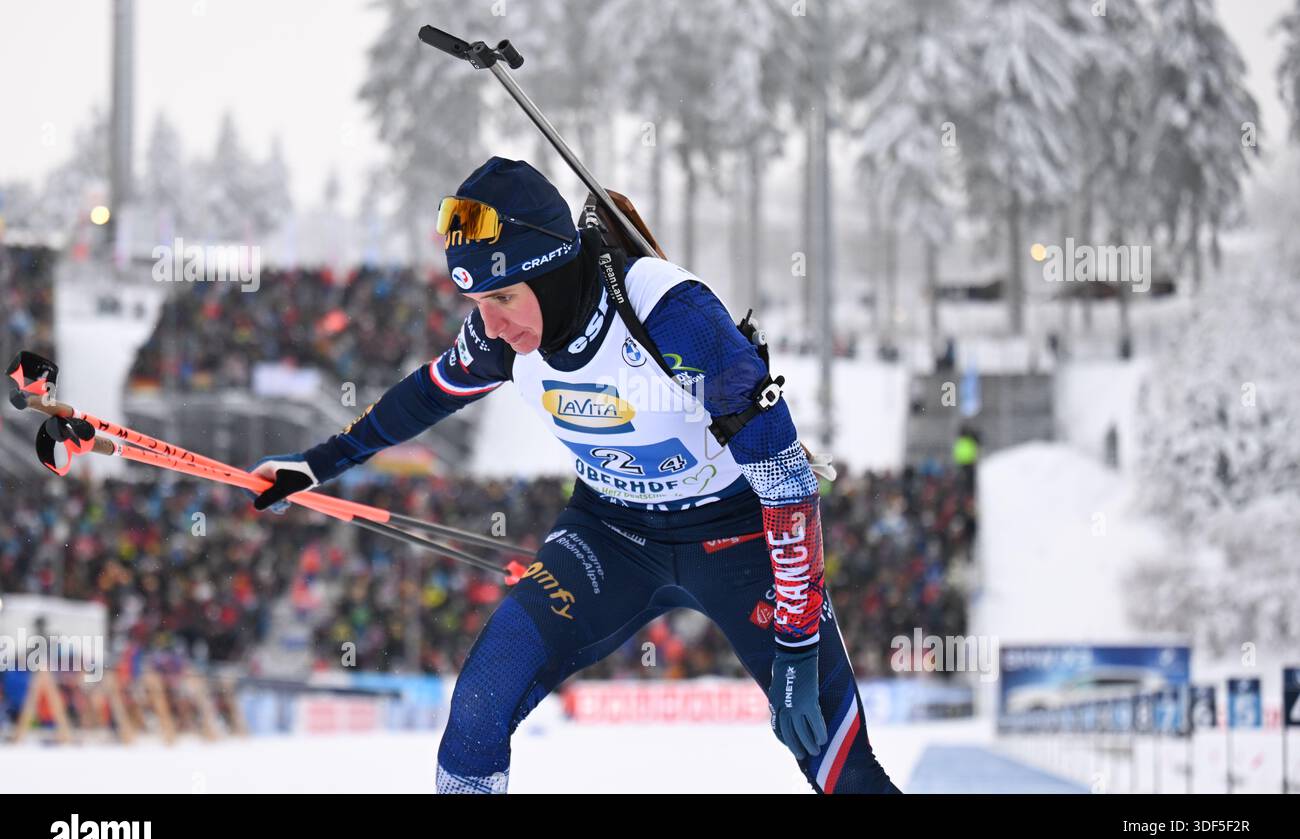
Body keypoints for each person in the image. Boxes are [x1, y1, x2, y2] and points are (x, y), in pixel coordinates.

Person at [250, 157, 899, 794]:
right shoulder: (498, 339)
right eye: (477, 302)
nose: (492, 323)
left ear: (551, 270)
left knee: (838, 764)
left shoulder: (672, 316)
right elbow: (426, 393)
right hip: (609, 540)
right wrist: (317, 463)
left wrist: (798, 639)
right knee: (479, 700)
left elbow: (787, 481)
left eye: (502, 296)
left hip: (736, 541)